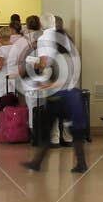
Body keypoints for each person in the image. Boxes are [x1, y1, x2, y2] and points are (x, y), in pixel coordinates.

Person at [23, 16, 90, 174]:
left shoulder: (59, 59)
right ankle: (80, 163)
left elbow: (61, 81)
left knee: (48, 130)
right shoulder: (71, 57)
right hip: (72, 96)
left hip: (61, 97)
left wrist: (44, 85)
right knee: (75, 133)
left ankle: (37, 162)